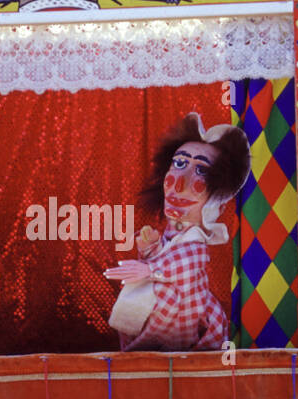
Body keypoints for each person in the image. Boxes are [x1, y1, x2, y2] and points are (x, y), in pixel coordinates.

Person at [104, 112, 250, 351]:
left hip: (186, 320)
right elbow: (167, 263)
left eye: (200, 170)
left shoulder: (195, 243)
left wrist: (150, 269)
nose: (179, 183)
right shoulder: (174, 237)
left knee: (163, 306)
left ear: (216, 204)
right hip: (166, 312)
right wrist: (150, 249)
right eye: (179, 164)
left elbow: (186, 263)